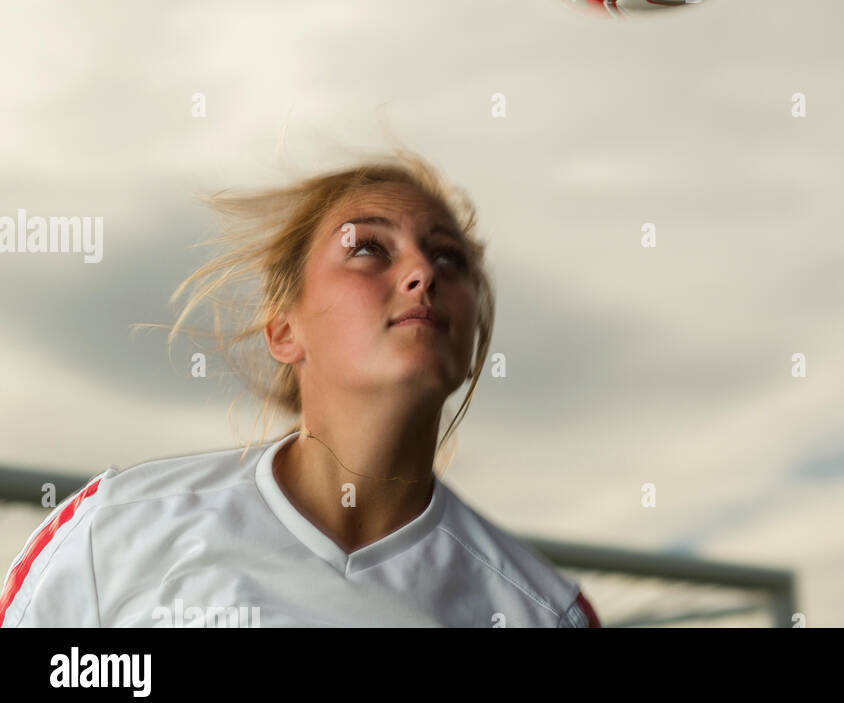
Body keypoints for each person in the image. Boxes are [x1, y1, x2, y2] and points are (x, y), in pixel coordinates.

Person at [0, 149, 600, 628]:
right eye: (368, 248)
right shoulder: (114, 534)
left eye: (449, 258)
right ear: (284, 330)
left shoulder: (541, 611)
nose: (422, 274)